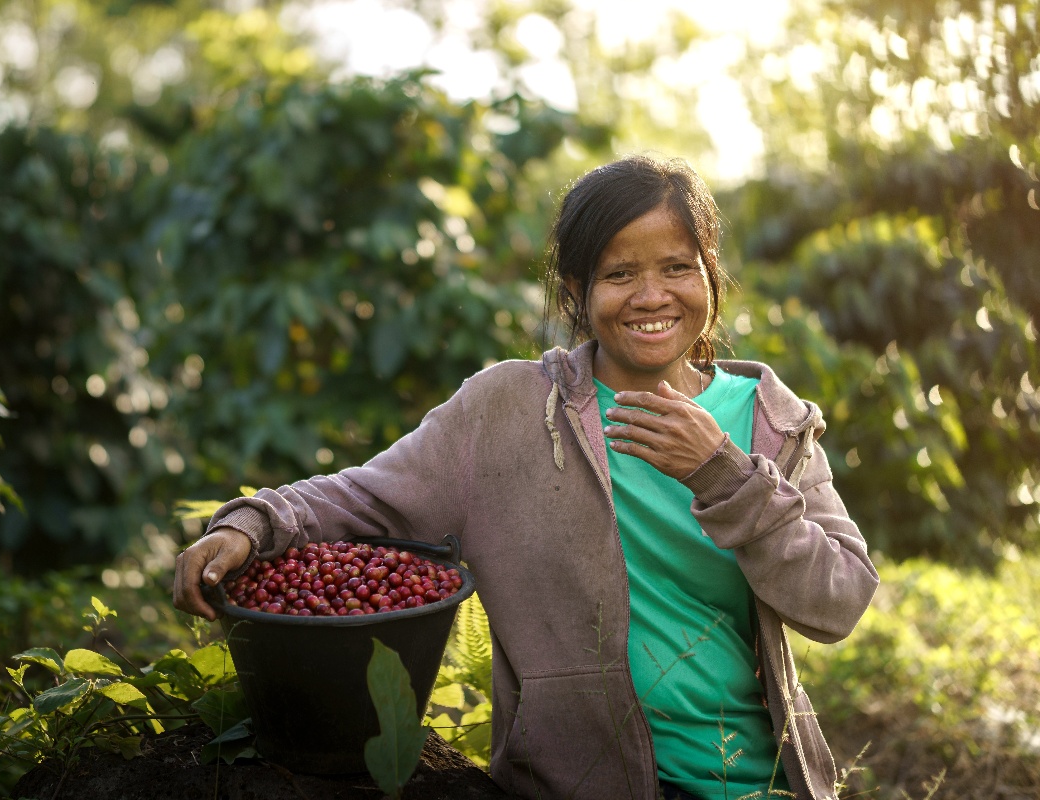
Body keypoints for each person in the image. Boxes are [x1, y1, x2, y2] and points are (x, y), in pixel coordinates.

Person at [173, 154, 879, 800]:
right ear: (577, 289)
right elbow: (364, 495)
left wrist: (724, 475)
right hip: (574, 785)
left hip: (757, 782)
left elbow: (839, 601)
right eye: (618, 274)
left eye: (676, 267)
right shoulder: (508, 411)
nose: (651, 296)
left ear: (709, 270)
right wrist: (251, 524)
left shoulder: (768, 421)